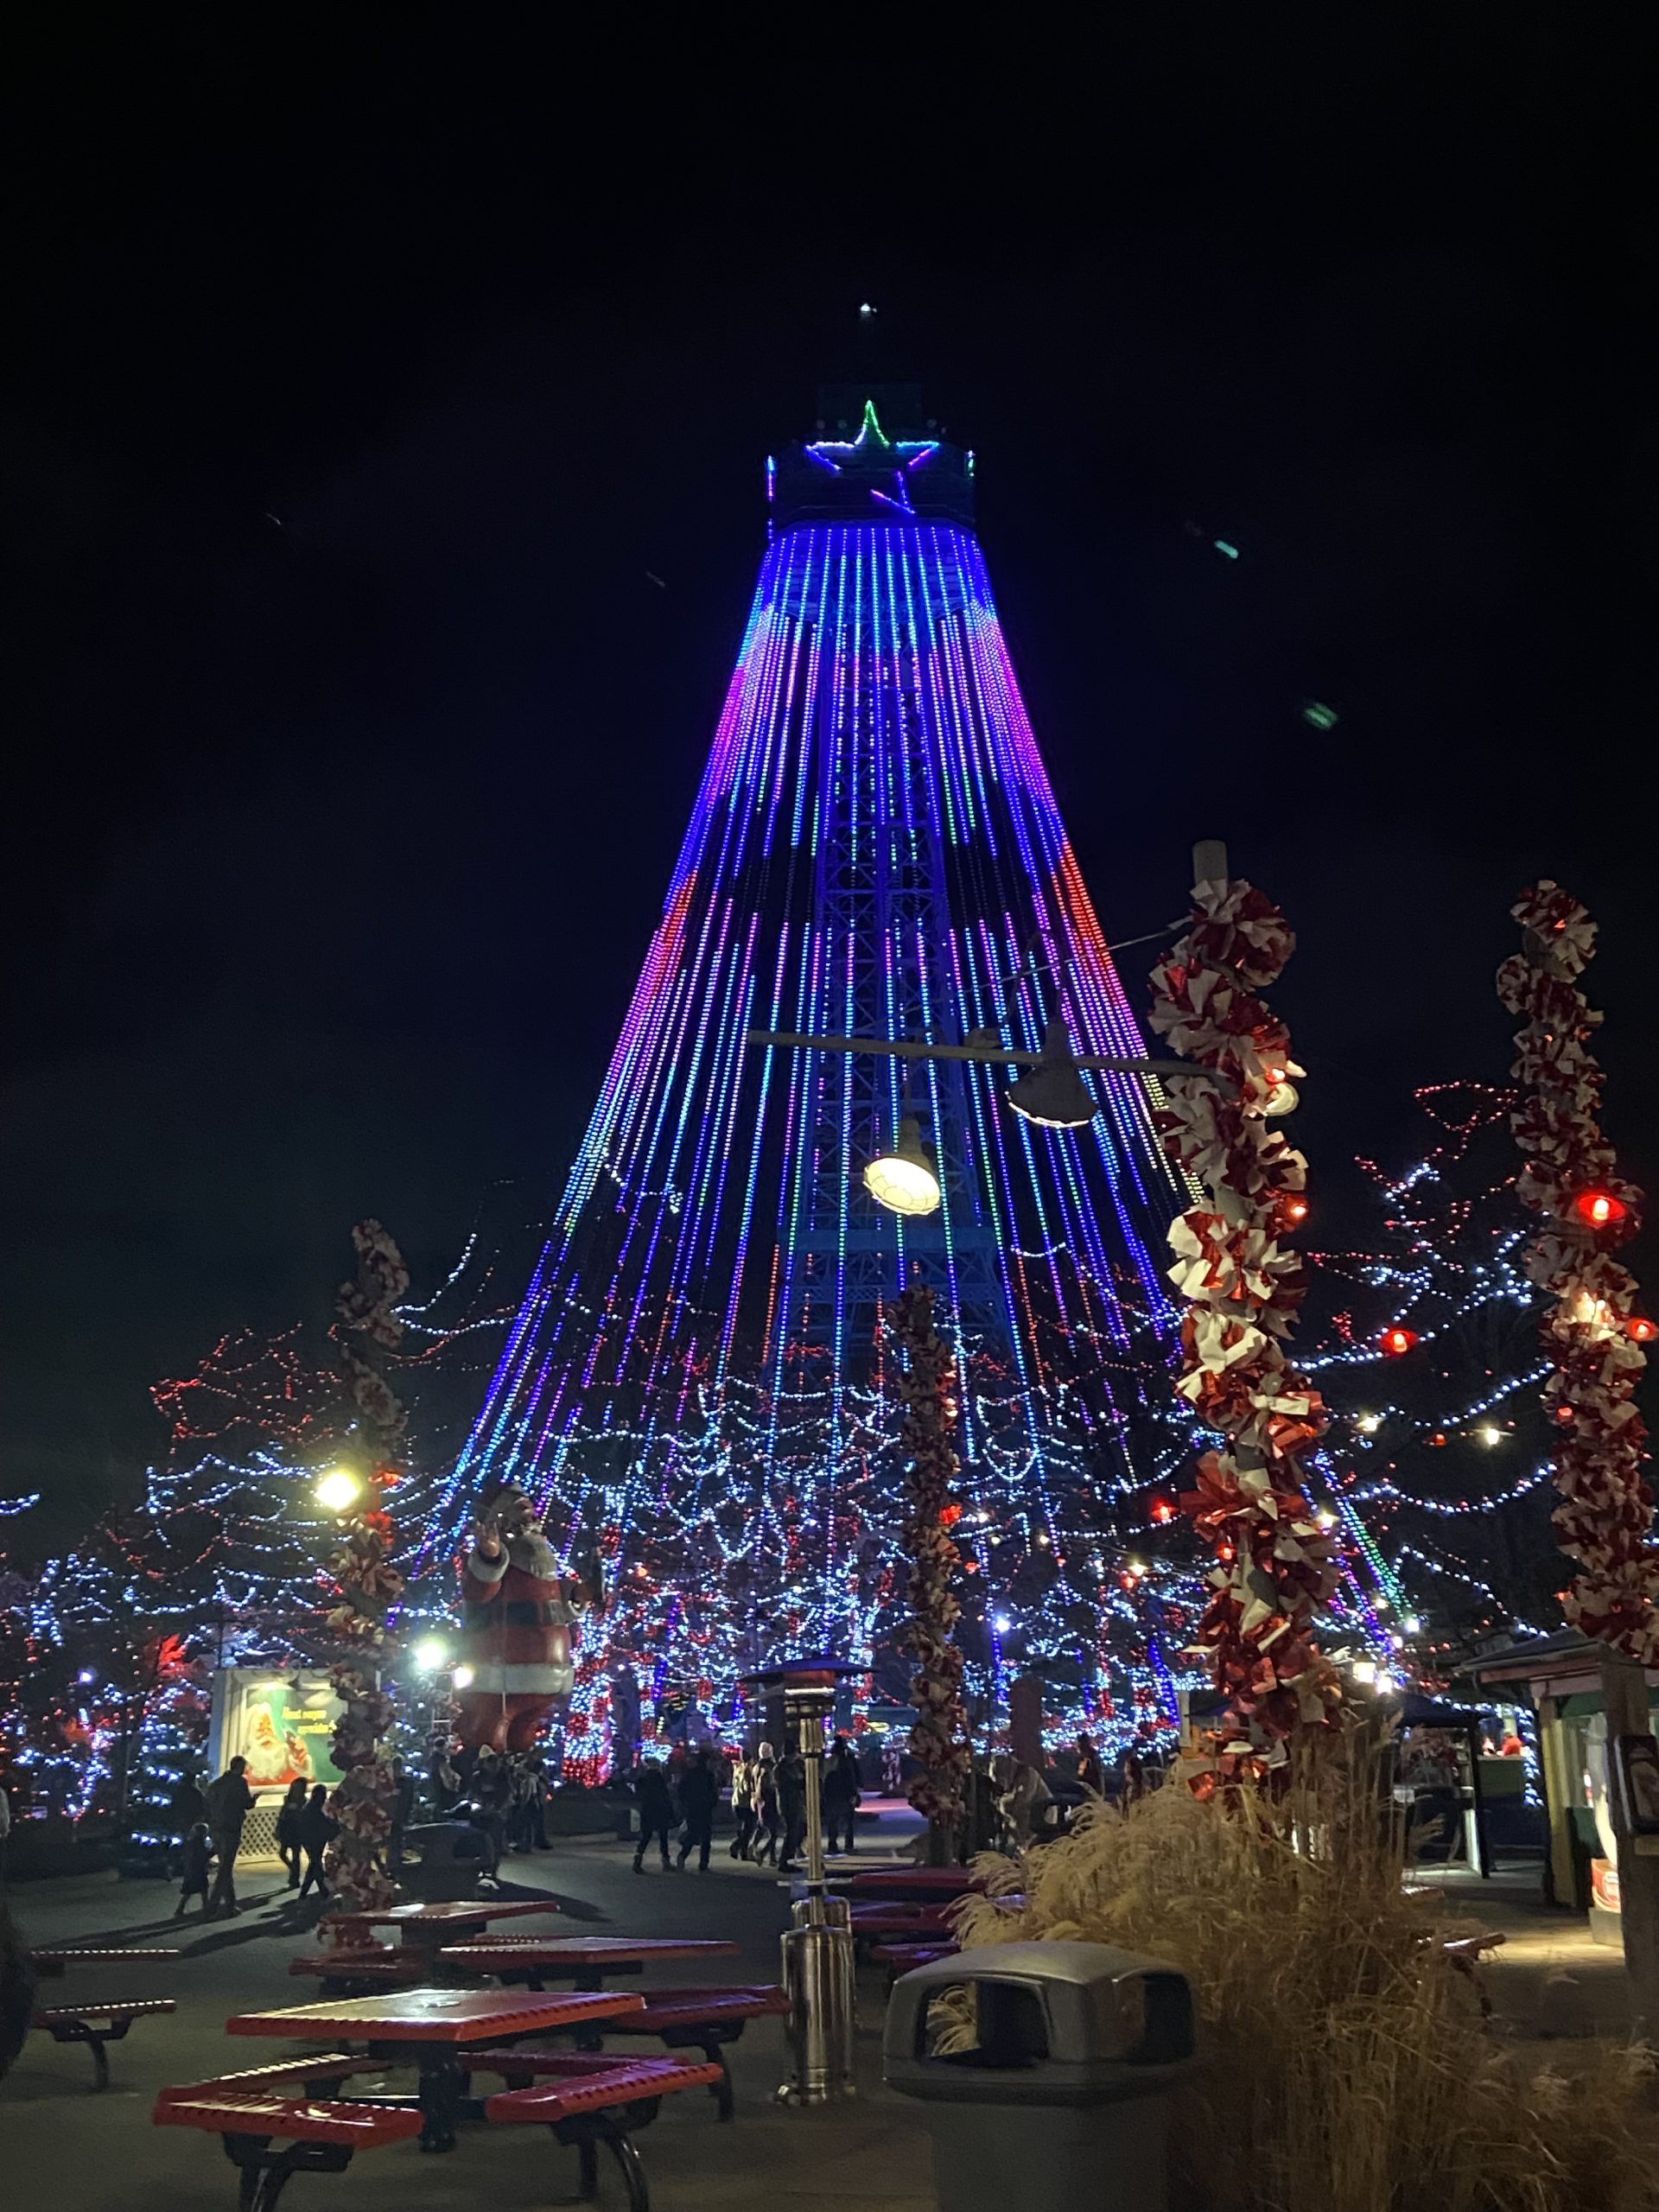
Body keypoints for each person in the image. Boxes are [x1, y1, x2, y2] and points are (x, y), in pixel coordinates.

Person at [202, 1755, 254, 1918]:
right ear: (239, 1767)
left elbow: (208, 1803)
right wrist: (255, 1799)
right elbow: (247, 1804)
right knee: (225, 1868)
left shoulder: (217, 1783)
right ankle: (213, 1906)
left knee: (226, 1866)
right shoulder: (239, 1783)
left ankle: (231, 1904)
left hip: (216, 1828)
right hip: (231, 1828)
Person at [677, 1745, 719, 1872]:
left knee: (692, 1834)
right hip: (705, 1809)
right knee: (706, 1838)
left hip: (692, 1808)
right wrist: (712, 1803)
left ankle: (683, 1855)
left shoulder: (689, 1774)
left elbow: (681, 1791)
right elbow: (713, 1793)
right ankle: (703, 1864)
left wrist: (685, 1804)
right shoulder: (709, 1775)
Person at [632, 1758, 676, 1872]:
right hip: (660, 1810)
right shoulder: (659, 1778)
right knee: (663, 1837)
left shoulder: (643, 1779)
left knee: (646, 1837)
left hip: (647, 1810)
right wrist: (670, 1812)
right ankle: (666, 1862)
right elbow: (665, 1796)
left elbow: (639, 1795)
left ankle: (638, 1860)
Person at [296, 1785, 336, 1899]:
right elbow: (323, 1823)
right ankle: (321, 1890)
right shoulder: (316, 1809)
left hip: (310, 1839)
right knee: (315, 1863)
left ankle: (317, 1890)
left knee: (314, 1863)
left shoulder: (308, 1808)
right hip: (316, 1839)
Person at [823, 1736, 861, 1854]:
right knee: (848, 1821)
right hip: (844, 1794)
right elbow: (852, 1778)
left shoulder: (829, 1761)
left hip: (832, 1795)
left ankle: (832, 1844)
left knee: (833, 1821)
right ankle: (848, 1845)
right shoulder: (847, 1760)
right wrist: (854, 1793)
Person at [175, 1821, 214, 1918]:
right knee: (203, 1891)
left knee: (189, 1892)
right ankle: (206, 1910)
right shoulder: (199, 1843)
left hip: (192, 1871)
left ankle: (180, 1909)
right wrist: (212, 1851)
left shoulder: (191, 1842)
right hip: (198, 1871)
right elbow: (204, 1855)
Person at [751, 1743, 781, 1866]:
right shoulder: (771, 1767)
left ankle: (755, 1847)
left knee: (762, 1826)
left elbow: (753, 1785)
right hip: (770, 1801)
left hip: (759, 1802)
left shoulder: (756, 1767)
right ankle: (765, 1854)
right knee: (773, 1832)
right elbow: (771, 1785)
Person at [777, 1747, 807, 1870]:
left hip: (796, 1804)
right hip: (789, 1805)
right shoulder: (782, 1769)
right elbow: (787, 1787)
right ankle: (785, 1861)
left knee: (799, 1832)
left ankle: (790, 1859)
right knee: (791, 1834)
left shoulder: (794, 1766)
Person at [275, 1778, 308, 1888]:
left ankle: (295, 1878)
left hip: (297, 1830)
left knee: (295, 1855)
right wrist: (278, 1828)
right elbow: (283, 1814)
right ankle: (293, 1870)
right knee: (282, 1854)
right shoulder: (288, 1800)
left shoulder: (303, 1801)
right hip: (287, 1828)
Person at [728, 1750, 757, 1859]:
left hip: (736, 1802)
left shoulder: (737, 1769)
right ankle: (737, 1847)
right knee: (749, 1829)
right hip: (744, 1803)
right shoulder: (747, 1770)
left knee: (745, 1829)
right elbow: (746, 1788)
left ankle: (741, 1851)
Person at [1075, 1732, 1106, 1797]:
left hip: (1089, 1789)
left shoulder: (1086, 1759)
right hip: (1095, 1789)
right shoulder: (1094, 1757)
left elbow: (1080, 1773)